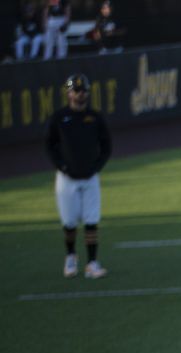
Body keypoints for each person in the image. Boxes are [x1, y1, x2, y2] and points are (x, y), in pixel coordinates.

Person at [44, 74, 111, 279]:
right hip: (67, 179)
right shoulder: (59, 117)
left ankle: (92, 263)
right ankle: (71, 257)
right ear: (68, 93)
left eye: (83, 91)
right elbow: (50, 145)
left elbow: (106, 146)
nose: (80, 95)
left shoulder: (95, 117)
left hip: (90, 177)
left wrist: (97, 166)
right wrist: (62, 166)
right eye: (76, 91)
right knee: (69, 221)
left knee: (92, 219)